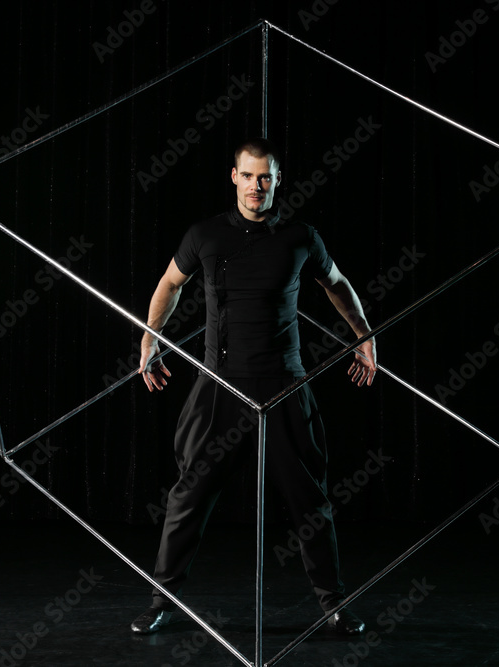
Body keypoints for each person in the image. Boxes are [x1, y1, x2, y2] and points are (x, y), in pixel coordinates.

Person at [131, 138, 377, 636]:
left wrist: (364, 335)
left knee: (310, 501)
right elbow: (169, 284)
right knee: (188, 497)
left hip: (284, 385)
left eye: (265, 177)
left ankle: (333, 605)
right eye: (248, 176)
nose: (256, 186)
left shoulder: (300, 236)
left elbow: (337, 284)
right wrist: (148, 340)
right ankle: (161, 600)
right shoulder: (205, 235)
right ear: (234, 177)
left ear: (277, 180)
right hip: (219, 387)